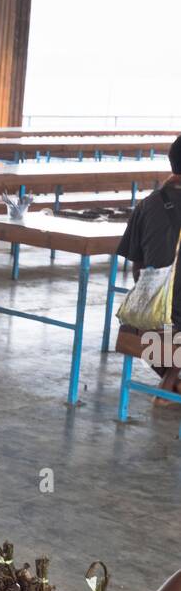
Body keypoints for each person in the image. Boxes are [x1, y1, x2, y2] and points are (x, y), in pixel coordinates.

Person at [116, 135, 181, 402]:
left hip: (146, 322)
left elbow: (137, 272)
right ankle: (172, 381)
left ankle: (172, 379)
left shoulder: (148, 203)